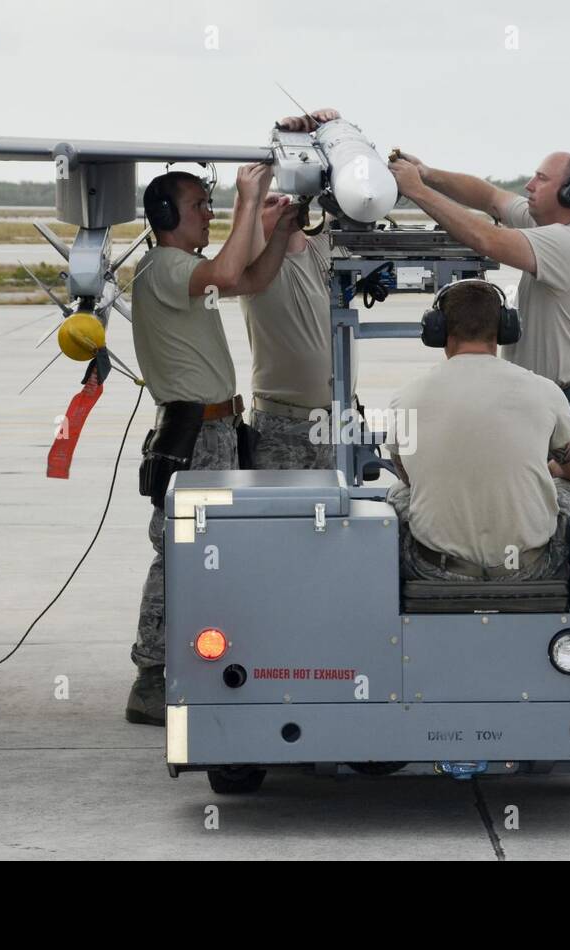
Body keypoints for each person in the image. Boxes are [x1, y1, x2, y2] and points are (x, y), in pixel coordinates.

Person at [127, 161, 302, 725]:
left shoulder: (188, 269)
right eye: (200, 206)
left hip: (217, 430)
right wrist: (249, 202)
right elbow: (230, 276)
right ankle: (151, 677)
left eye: (210, 205)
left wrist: (275, 232)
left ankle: (188, 663)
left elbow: (250, 279)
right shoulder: (166, 267)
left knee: (206, 554)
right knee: (174, 553)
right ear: (165, 216)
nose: (207, 215)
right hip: (193, 432)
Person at [387, 149, 570, 482]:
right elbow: (490, 197)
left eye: (541, 180)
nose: (529, 185)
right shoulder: (550, 224)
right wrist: (427, 174)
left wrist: (417, 191)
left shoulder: (569, 242)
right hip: (554, 402)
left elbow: (486, 238)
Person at [385, 280, 570, 582]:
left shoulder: (407, 397)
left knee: (399, 493)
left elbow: (406, 475)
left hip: (439, 572)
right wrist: (543, 470)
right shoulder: (543, 390)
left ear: (438, 330)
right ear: (505, 329)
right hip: (526, 570)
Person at [239, 107, 354, 470]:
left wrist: (326, 132)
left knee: (337, 519)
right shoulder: (256, 266)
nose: (286, 201)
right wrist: (281, 142)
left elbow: (349, 200)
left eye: (287, 197)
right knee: (280, 521)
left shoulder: (325, 247)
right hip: (281, 424)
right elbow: (249, 199)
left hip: (337, 420)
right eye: (273, 202)